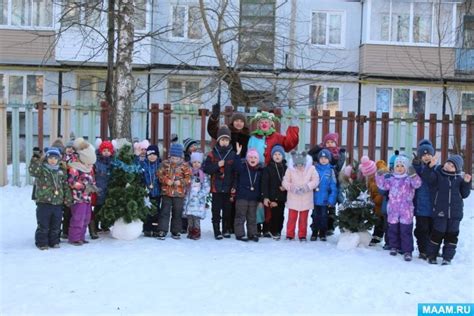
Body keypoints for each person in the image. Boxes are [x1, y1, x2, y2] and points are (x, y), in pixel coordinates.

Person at [423, 154, 472, 265]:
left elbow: (464, 194)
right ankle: (432, 255)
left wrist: (466, 183)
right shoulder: (438, 175)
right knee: (437, 234)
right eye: (448, 163)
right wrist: (430, 166)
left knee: (452, 236)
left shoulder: (459, 179)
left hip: (455, 214)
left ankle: (447, 257)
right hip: (440, 212)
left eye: (452, 166)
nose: (449, 166)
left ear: (457, 169)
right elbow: (427, 177)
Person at [376, 155, 422, 261]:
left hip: (406, 210)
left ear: (406, 167)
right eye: (397, 166)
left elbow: (417, 184)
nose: (400, 168)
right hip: (393, 209)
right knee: (393, 230)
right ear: (394, 167)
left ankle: (407, 251)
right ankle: (394, 247)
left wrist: (413, 175)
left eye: (402, 166)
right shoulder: (392, 179)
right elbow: (383, 186)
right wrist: (379, 176)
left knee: (405, 231)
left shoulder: (409, 179)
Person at [29, 147, 73, 250]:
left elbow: (65, 186)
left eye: (55, 158)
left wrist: (68, 198)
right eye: (50, 158)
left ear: (59, 159)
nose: (53, 160)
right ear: (46, 158)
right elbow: (33, 171)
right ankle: (42, 242)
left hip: (57, 203)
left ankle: (54, 241)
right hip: (44, 202)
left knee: (56, 224)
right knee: (43, 224)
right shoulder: (42, 169)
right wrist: (35, 158)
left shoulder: (61, 171)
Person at [203, 125, 238, 240]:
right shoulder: (212, 153)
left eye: (226, 140)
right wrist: (217, 165)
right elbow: (206, 168)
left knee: (227, 210)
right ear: (218, 140)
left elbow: (236, 172)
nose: (224, 142)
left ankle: (226, 229)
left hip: (228, 187)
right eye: (222, 139)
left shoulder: (233, 154)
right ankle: (217, 230)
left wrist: (234, 186)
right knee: (216, 210)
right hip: (216, 188)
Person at [308, 132, 346, 235]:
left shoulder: (339, 153)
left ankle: (330, 227)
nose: (329, 144)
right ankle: (316, 227)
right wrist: (318, 147)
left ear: (336, 143)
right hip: (321, 184)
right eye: (327, 142)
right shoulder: (320, 153)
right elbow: (309, 154)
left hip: (334, 181)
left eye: (332, 142)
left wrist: (329, 158)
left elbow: (338, 167)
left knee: (331, 205)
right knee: (318, 208)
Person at [157, 143, 192, 240]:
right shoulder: (164, 164)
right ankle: (162, 230)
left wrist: (180, 182)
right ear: (170, 156)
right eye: (173, 158)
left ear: (181, 157)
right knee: (165, 211)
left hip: (179, 194)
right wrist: (166, 180)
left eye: (177, 158)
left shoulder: (185, 166)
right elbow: (159, 175)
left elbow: (188, 178)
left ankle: (176, 231)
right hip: (166, 192)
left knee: (177, 212)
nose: (174, 160)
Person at [282, 151, 319, 241]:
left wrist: (307, 187)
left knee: (303, 219)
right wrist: (292, 188)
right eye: (297, 164)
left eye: (301, 164)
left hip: (305, 198)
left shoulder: (311, 169)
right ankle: (290, 234)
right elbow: (285, 181)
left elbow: (316, 180)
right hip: (293, 198)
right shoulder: (290, 169)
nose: (299, 166)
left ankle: (302, 235)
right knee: (291, 218)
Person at [67, 138, 98, 246]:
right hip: (78, 198)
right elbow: (72, 182)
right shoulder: (75, 167)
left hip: (87, 198)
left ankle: (81, 236)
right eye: (89, 164)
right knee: (78, 218)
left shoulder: (89, 168)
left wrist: (93, 187)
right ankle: (74, 238)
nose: (90, 166)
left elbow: (92, 179)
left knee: (86, 218)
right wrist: (85, 186)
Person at [233, 146, 263, 242]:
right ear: (247, 158)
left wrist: (260, 199)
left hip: (253, 198)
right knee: (240, 216)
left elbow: (259, 186)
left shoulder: (259, 171)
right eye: (250, 157)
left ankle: (252, 233)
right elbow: (236, 166)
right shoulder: (243, 167)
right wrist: (238, 154)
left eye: (255, 158)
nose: (252, 159)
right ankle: (240, 234)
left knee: (252, 217)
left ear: (258, 160)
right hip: (242, 197)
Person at [412, 139, 435, 259]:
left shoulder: (436, 169)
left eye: (428, 154)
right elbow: (415, 176)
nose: (426, 157)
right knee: (422, 229)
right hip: (421, 206)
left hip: (434, 206)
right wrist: (416, 165)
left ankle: (432, 249)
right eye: (423, 155)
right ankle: (423, 249)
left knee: (433, 229)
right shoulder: (418, 169)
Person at [261, 145, 287, 240]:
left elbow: (290, 180)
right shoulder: (268, 168)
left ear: (283, 156)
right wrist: (266, 197)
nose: (277, 156)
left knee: (281, 215)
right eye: (275, 154)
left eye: (279, 154)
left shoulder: (286, 168)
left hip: (282, 196)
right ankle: (273, 230)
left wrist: (286, 187)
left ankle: (279, 231)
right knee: (274, 215)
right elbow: (265, 184)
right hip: (272, 196)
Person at [311, 149, 337, 241]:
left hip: (325, 199)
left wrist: (331, 200)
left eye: (325, 158)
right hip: (314, 198)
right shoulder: (314, 168)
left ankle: (322, 232)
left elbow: (333, 186)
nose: (323, 160)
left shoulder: (331, 171)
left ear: (329, 159)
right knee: (314, 216)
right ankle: (314, 231)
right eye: (321, 158)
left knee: (323, 216)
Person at [183, 152, 210, 240]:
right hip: (189, 199)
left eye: (198, 162)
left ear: (201, 163)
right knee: (190, 216)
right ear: (192, 163)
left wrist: (199, 195)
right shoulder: (188, 173)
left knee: (196, 217)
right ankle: (190, 231)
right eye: (194, 162)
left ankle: (196, 231)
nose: (196, 164)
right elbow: (185, 183)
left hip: (198, 200)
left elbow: (206, 187)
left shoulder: (203, 175)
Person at [358, 156, 385, 246]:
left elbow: (382, 191)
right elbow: (371, 190)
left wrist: (376, 200)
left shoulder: (381, 176)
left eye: (370, 174)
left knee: (381, 219)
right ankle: (376, 235)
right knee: (377, 218)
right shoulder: (371, 179)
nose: (369, 176)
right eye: (368, 175)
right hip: (375, 203)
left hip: (382, 203)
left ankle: (378, 236)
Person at [142, 145, 161, 237]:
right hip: (147, 192)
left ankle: (156, 228)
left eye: (154, 154)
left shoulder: (160, 165)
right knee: (147, 210)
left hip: (157, 192)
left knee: (156, 211)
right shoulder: (144, 164)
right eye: (149, 154)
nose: (152, 156)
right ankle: (147, 228)